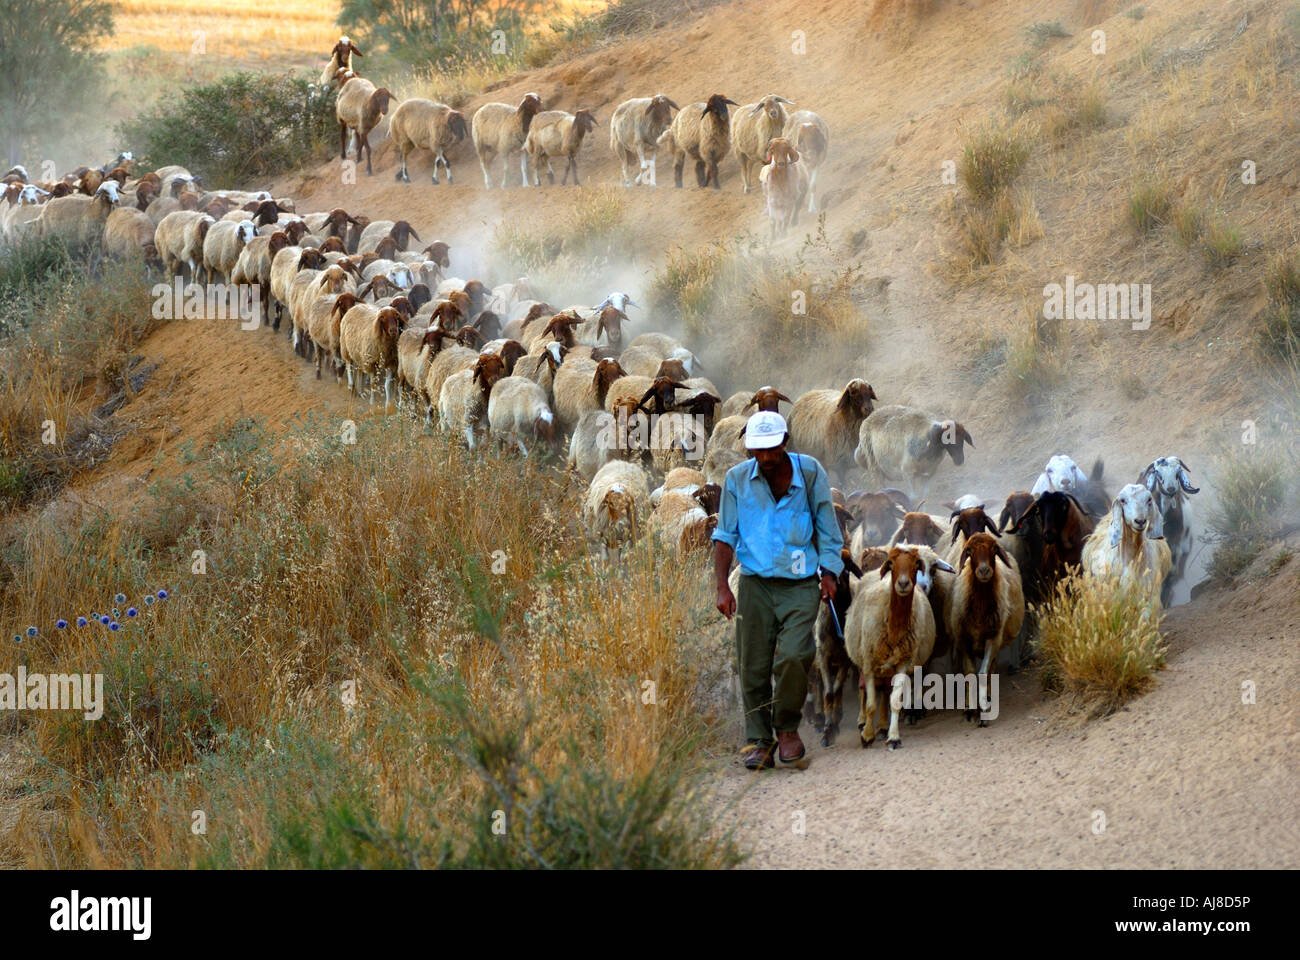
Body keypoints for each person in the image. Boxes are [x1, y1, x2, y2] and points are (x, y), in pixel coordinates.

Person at [711, 410, 844, 770]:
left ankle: (787, 729)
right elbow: (724, 536)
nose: (766, 457)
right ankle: (759, 741)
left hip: (800, 582)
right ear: (749, 448)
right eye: (758, 450)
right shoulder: (737, 480)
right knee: (752, 662)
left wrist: (830, 572)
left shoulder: (810, 471)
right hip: (754, 582)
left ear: (785, 442)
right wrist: (723, 586)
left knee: (795, 655)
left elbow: (828, 529)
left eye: (772, 448)